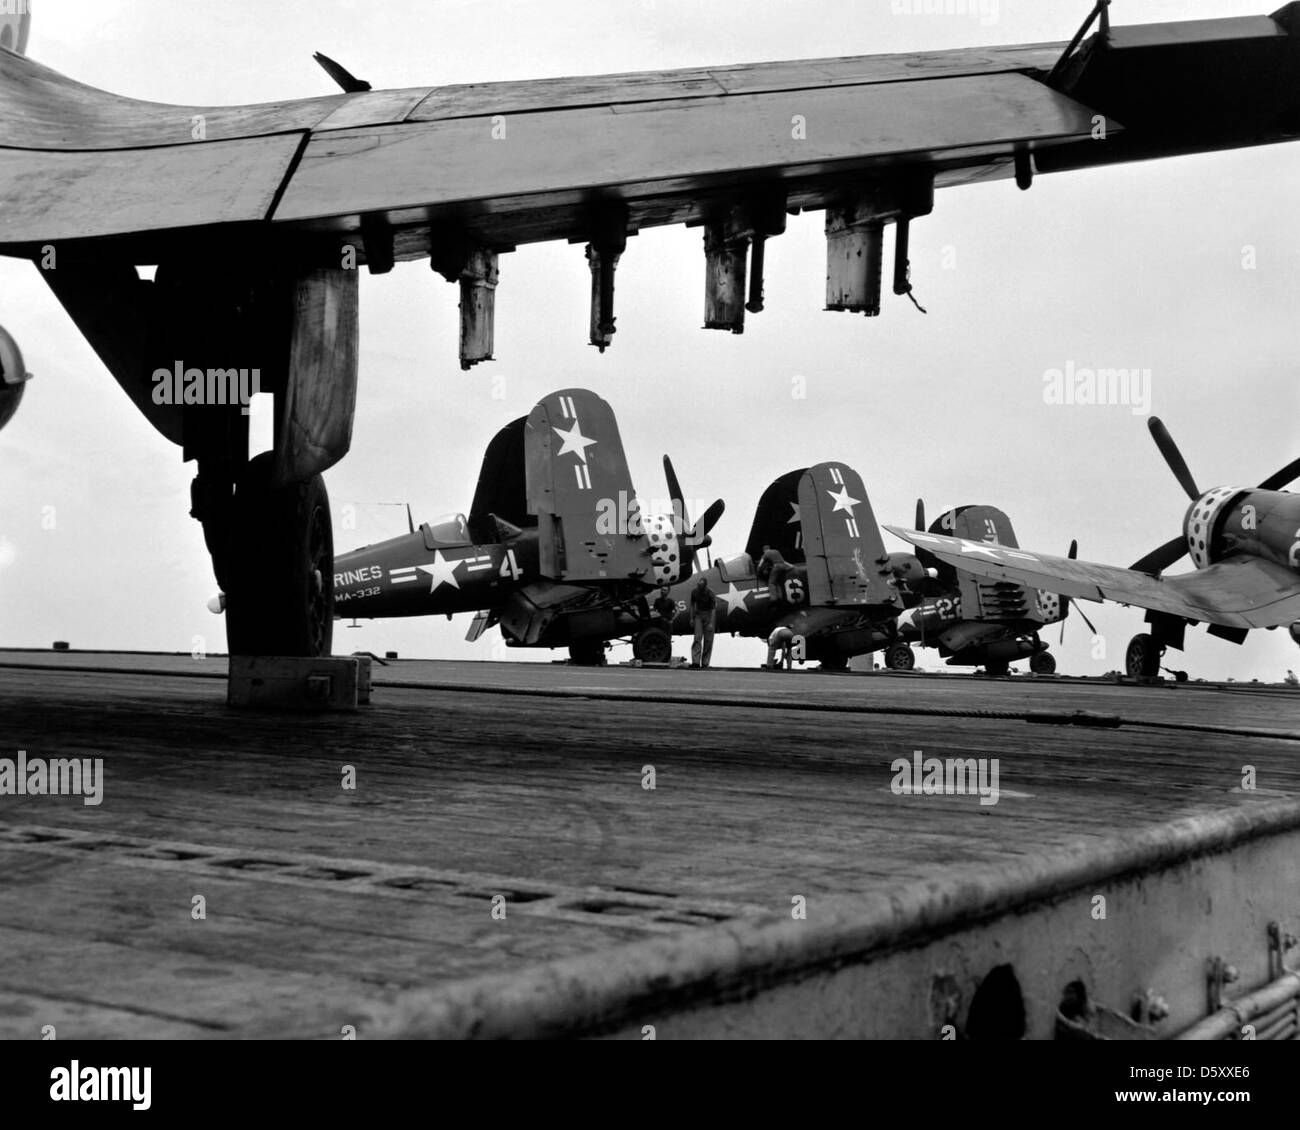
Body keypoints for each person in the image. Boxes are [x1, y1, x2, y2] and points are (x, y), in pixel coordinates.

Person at [688, 576, 716, 669]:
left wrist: (711, 623)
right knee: (697, 638)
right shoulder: (694, 592)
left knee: (708, 640)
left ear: (705, 586)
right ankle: (695, 662)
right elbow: (692, 605)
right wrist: (692, 618)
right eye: (698, 585)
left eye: (701, 586)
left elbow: (713, 609)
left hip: (708, 615)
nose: (699, 587)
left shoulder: (710, 593)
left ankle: (705, 663)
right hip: (698, 615)